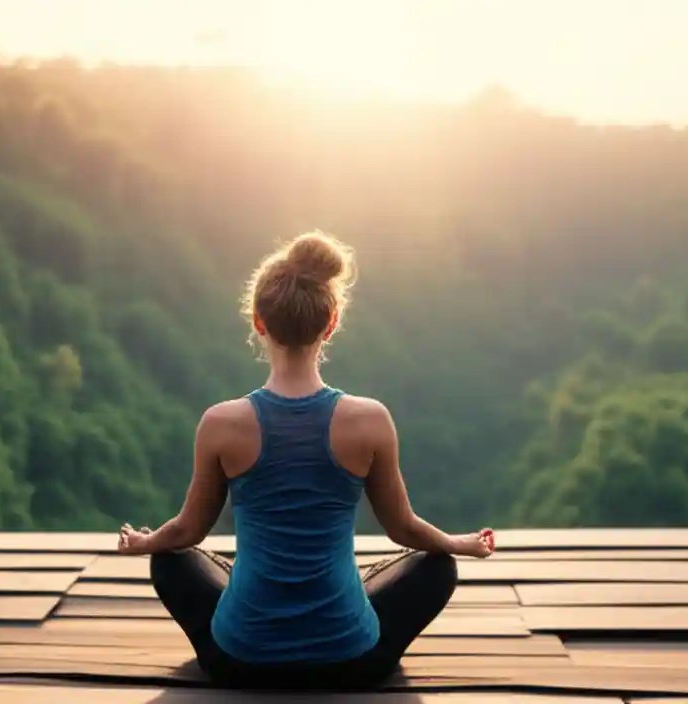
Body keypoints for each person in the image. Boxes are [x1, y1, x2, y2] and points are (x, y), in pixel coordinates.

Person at [115, 231, 495, 690]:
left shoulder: (221, 423)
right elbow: (405, 530)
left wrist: (144, 542)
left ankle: (256, 615)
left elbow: (187, 531)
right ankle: (333, 618)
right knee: (436, 566)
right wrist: (461, 543)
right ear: (331, 322)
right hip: (351, 662)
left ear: (259, 321)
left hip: (240, 661)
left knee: (170, 559)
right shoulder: (369, 421)